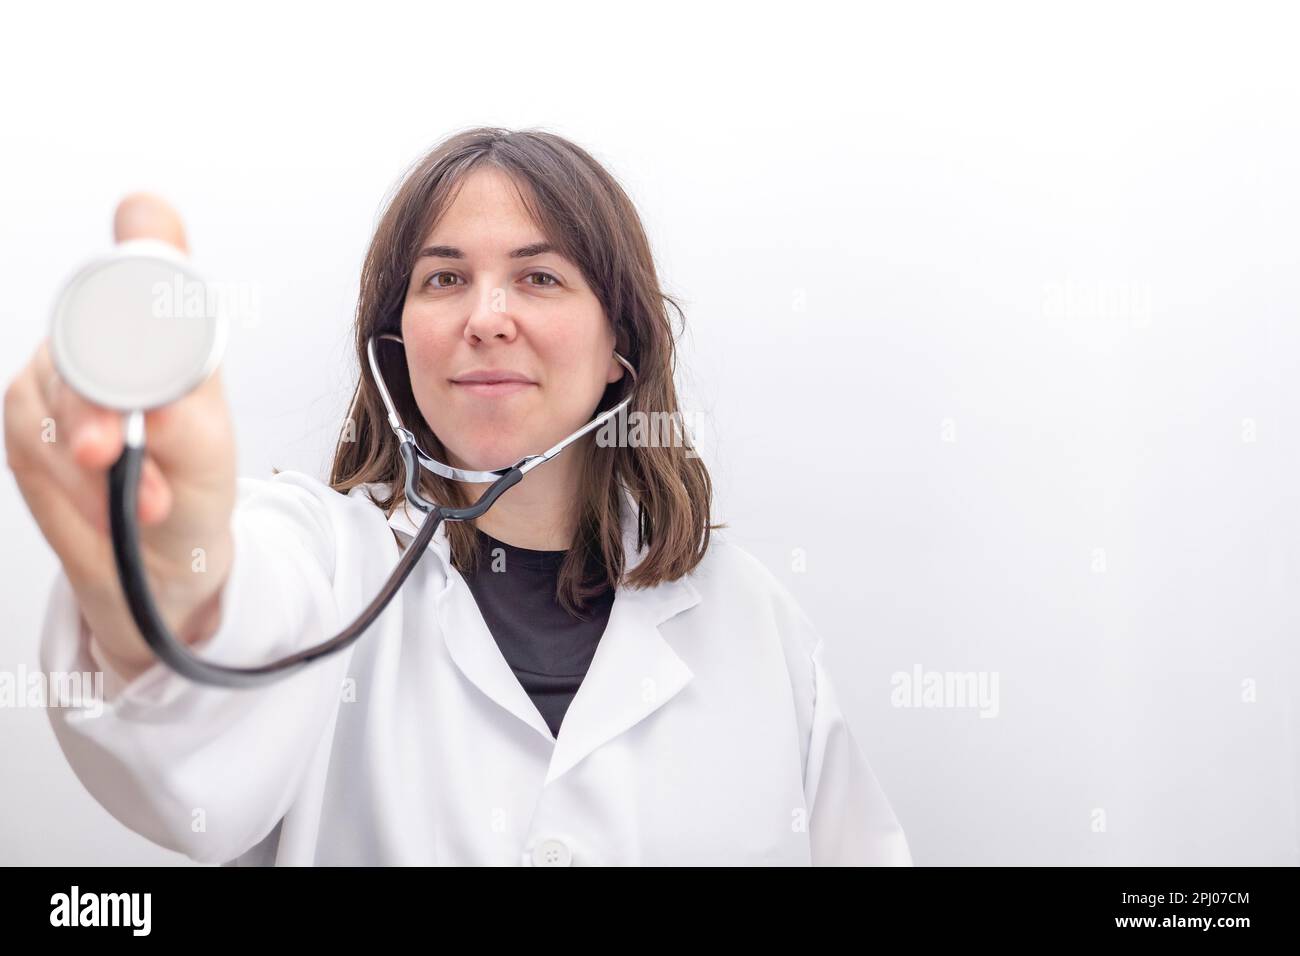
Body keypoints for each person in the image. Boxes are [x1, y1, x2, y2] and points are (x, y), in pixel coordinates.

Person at [5, 127, 913, 866]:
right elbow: (200, 747)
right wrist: (170, 593)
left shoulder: (753, 618)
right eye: (444, 278)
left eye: (539, 276)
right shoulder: (325, 558)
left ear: (619, 353)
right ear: (397, 343)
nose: (486, 317)